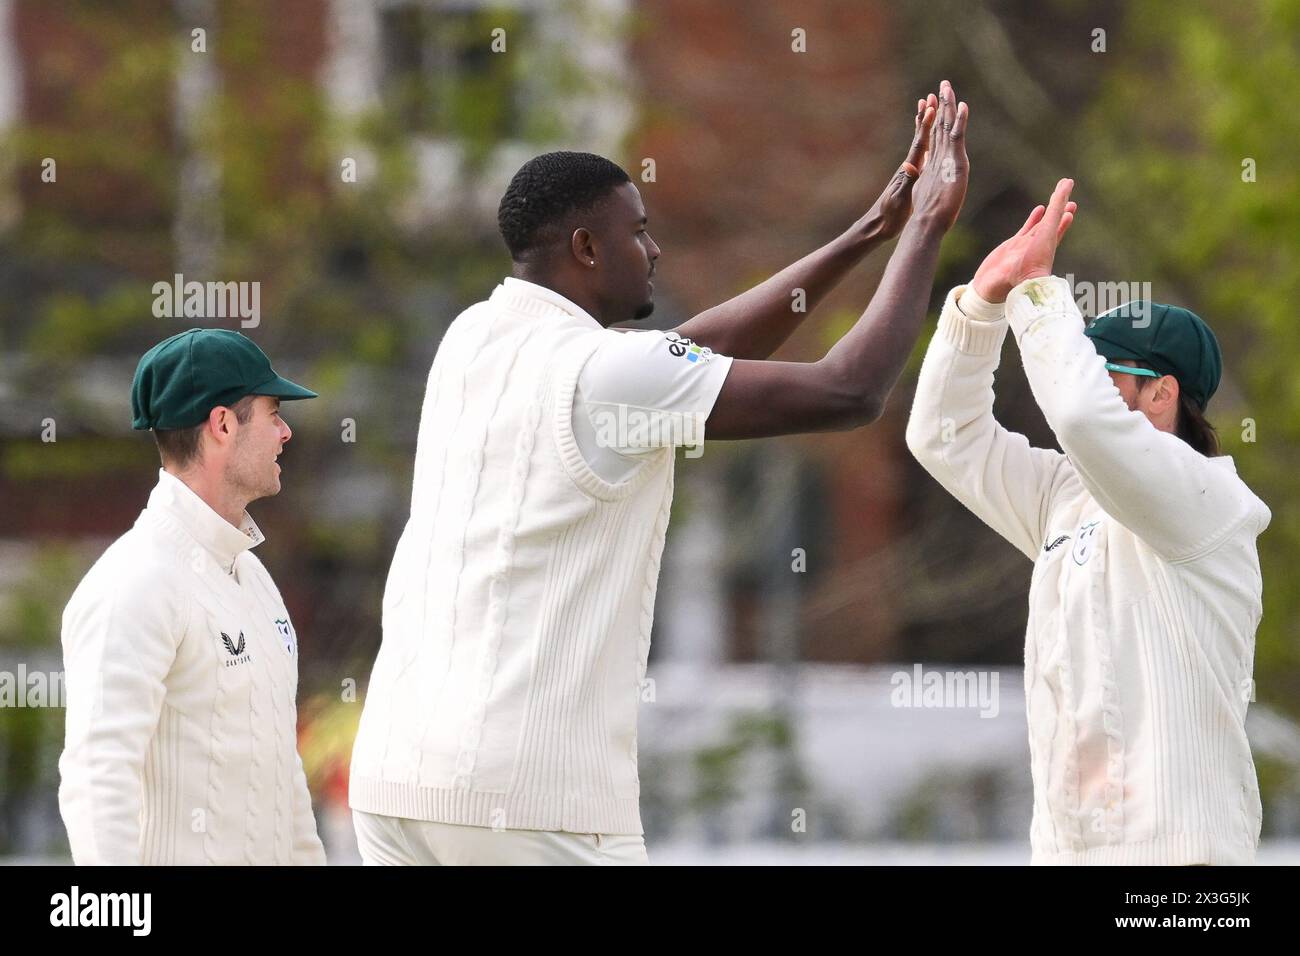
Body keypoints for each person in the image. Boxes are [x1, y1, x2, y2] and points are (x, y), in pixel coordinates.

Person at [349, 83, 972, 865]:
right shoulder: (606, 372)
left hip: (394, 784)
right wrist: (925, 230)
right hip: (529, 799)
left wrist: (869, 232)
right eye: (638, 233)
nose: (655, 252)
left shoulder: (470, 338)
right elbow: (851, 389)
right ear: (585, 248)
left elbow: (684, 356)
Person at [905, 180, 1270, 864]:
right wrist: (982, 306)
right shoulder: (1065, 497)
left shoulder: (1208, 499)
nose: (1084, 379)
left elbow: (1077, 417)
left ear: (1162, 393)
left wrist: (1039, 292)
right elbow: (942, 437)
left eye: (1106, 370)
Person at [57, 328, 327, 865]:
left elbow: (282, 775)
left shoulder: (254, 578)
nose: (286, 432)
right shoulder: (134, 583)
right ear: (223, 424)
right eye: (274, 413)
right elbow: (97, 778)